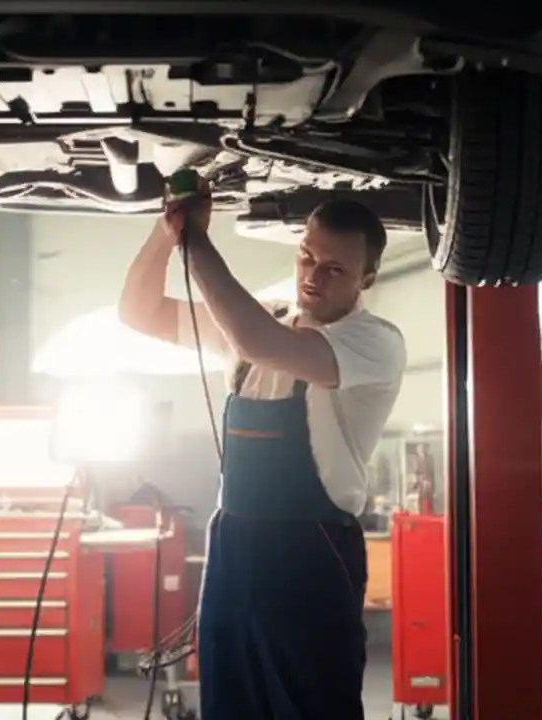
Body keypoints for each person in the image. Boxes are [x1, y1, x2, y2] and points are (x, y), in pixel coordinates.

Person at [117, 178, 407, 719]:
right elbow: (139, 311)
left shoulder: (375, 343)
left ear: (367, 279)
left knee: (314, 705)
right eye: (306, 258)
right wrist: (168, 231)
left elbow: (260, 344)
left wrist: (199, 242)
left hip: (310, 555)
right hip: (234, 549)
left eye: (334, 269)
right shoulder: (264, 316)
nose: (312, 277)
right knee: (230, 703)